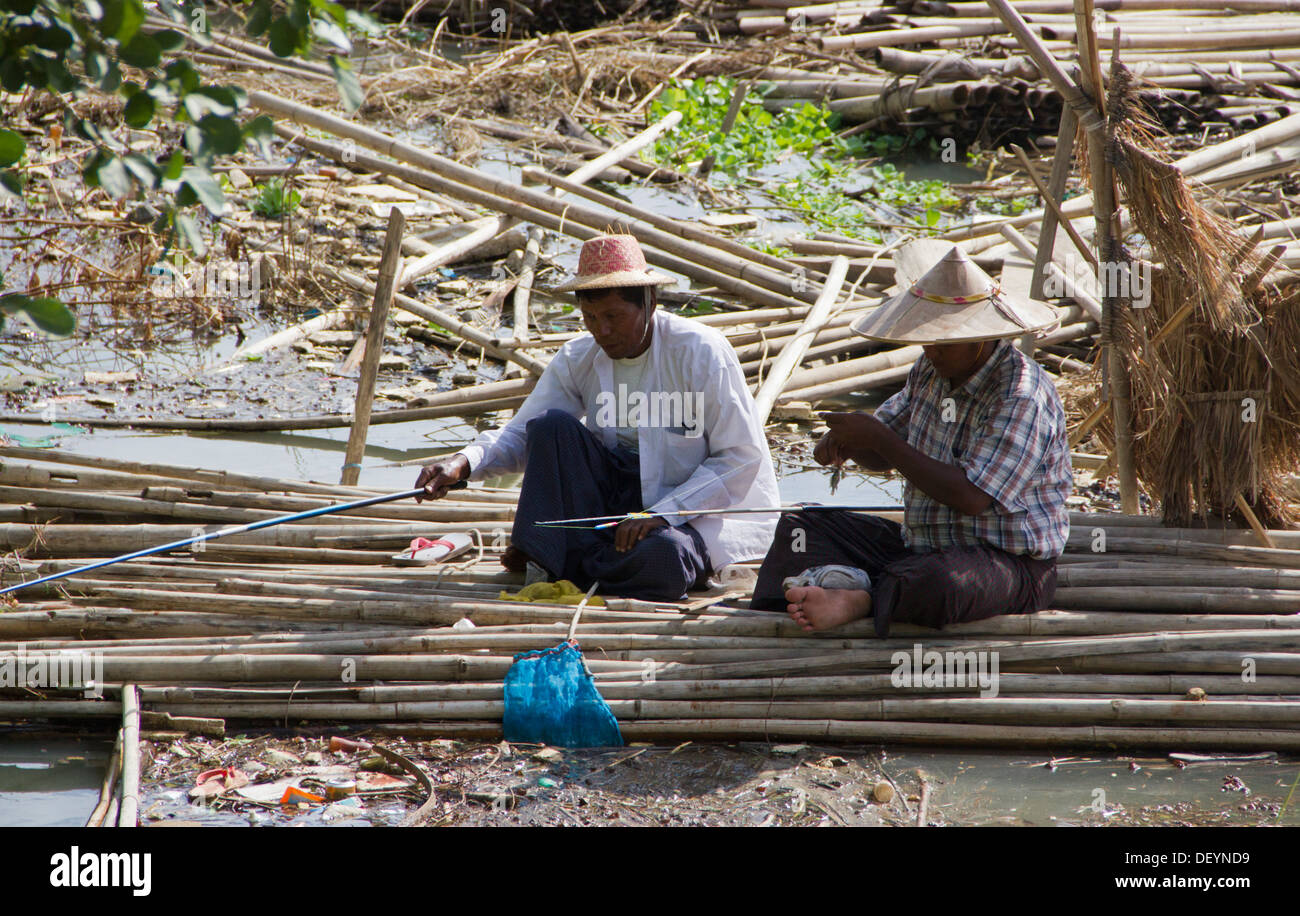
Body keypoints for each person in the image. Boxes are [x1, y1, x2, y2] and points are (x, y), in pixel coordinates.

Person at [416, 234, 780, 602]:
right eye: (590, 317)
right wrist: (464, 463)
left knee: (664, 557)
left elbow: (739, 459)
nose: (601, 331)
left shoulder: (701, 352)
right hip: (616, 502)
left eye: (613, 317)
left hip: (693, 510)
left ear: (649, 304)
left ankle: (559, 556)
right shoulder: (580, 356)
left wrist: (662, 514)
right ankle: (571, 554)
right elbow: (523, 434)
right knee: (551, 427)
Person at [751, 240, 1072, 636]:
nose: (931, 351)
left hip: (1005, 564)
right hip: (918, 548)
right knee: (801, 528)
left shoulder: (1021, 395)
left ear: (981, 338)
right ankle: (837, 595)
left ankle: (860, 597)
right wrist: (847, 443)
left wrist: (879, 439)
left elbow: (970, 497)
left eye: (942, 342)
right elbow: (884, 450)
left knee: (943, 583)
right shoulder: (930, 371)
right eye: (927, 340)